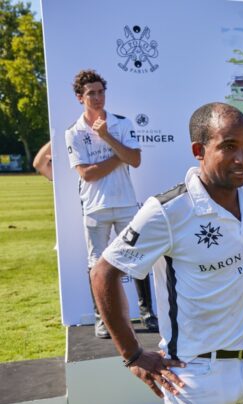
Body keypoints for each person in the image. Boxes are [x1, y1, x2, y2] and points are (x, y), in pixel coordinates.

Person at [90, 103, 243, 404]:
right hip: (197, 376)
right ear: (198, 150)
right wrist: (132, 354)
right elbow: (103, 273)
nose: (242, 157)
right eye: (228, 146)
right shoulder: (169, 210)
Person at [64, 69, 158, 338]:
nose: (97, 97)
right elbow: (87, 173)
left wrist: (107, 137)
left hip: (127, 203)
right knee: (96, 264)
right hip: (95, 207)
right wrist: (120, 155)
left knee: (138, 257)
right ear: (80, 97)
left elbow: (136, 160)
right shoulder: (74, 132)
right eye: (91, 93)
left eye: (101, 92)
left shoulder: (122, 123)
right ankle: (101, 318)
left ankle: (147, 313)